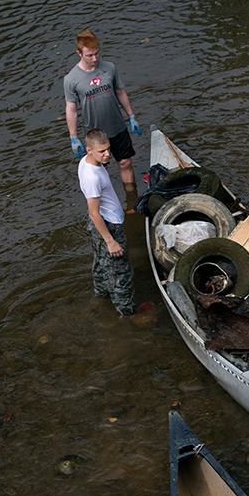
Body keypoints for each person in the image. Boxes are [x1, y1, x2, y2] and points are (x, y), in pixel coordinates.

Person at [64, 30, 141, 196]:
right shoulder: (71, 79)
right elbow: (71, 109)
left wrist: (131, 116)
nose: (94, 59)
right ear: (79, 53)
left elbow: (120, 92)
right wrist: (73, 136)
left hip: (117, 126)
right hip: (95, 133)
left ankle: (131, 198)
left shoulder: (109, 68)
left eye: (97, 53)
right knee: (100, 170)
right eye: (89, 55)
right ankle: (104, 202)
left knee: (125, 163)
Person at [78, 128, 135, 317]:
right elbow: (94, 213)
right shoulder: (92, 177)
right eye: (102, 151)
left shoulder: (86, 163)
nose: (107, 154)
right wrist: (111, 240)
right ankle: (127, 312)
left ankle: (101, 294)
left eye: (108, 149)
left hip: (101, 222)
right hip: (107, 223)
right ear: (89, 150)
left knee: (101, 262)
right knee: (121, 272)